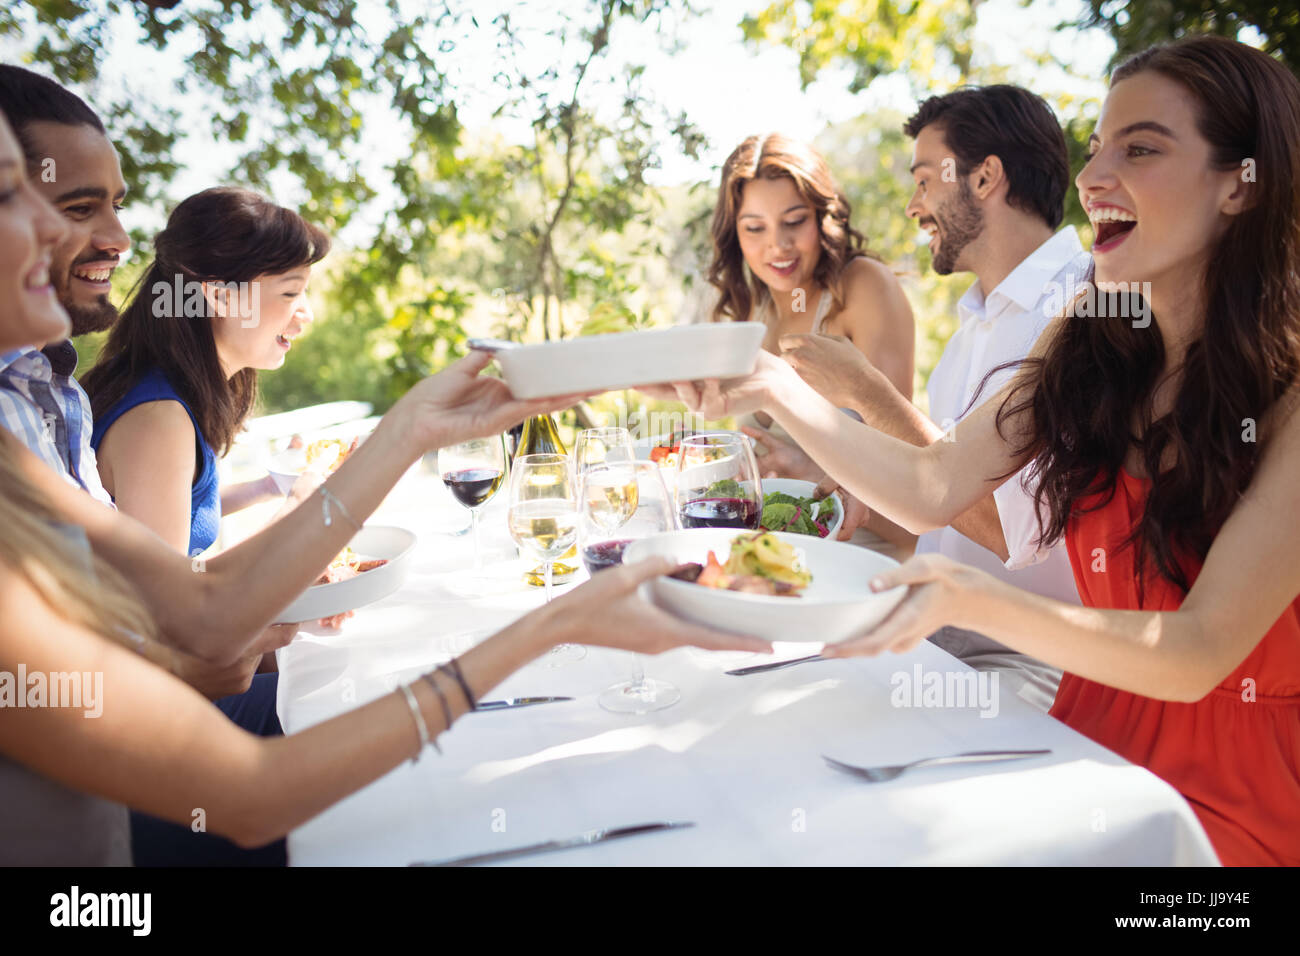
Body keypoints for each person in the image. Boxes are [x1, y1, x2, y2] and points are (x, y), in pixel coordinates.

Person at [0, 109, 772, 865]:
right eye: (24, 199)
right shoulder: (120, 416)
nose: (112, 239)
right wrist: (549, 627)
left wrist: (412, 431)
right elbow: (219, 706)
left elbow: (198, 614)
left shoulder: (40, 406)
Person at [658, 36, 1300, 866]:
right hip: (1081, 748)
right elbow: (933, 483)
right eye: (1098, 148)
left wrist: (965, 597)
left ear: (1242, 185)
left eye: (1141, 148)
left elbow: (1197, 655)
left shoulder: (1288, 401)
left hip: (1226, 809)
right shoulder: (1091, 339)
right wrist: (773, 386)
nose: (1093, 177)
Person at [762, 86, 1090, 710]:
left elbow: (1005, 529)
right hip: (937, 635)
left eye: (922, 180)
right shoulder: (973, 328)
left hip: (1033, 653)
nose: (914, 206)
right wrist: (847, 474)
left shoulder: (1085, 308)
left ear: (987, 177)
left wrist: (868, 393)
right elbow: (930, 514)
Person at [82, 187, 327, 558]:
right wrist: (299, 514)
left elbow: (174, 509)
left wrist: (271, 486)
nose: (306, 313)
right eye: (291, 294)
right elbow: (168, 594)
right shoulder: (158, 420)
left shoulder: (167, 389)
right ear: (221, 296)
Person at [706, 133, 915, 557]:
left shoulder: (863, 289)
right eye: (755, 228)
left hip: (859, 563)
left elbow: (916, 497)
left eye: (794, 220)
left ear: (822, 215)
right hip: (772, 563)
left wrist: (805, 470)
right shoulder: (753, 309)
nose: (778, 245)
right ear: (735, 234)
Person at [0, 65, 128, 507]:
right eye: (78, 208)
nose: (120, 240)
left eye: (115, 205)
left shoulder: (57, 383)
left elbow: (123, 572)